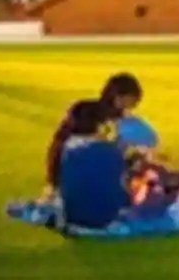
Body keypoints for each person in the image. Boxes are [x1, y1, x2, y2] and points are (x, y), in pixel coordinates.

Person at [43, 73, 142, 199]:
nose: (131, 106)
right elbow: (62, 146)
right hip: (78, 177)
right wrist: (53, 182)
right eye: (130, 100)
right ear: (118, 96)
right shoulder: (85, 111)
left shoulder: (123, 121)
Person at [57, 99, 131, 229]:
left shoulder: (68, 147)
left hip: (73, 216)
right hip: (105, 217)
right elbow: (120, 187)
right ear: (100, 125)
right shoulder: (109, 151)